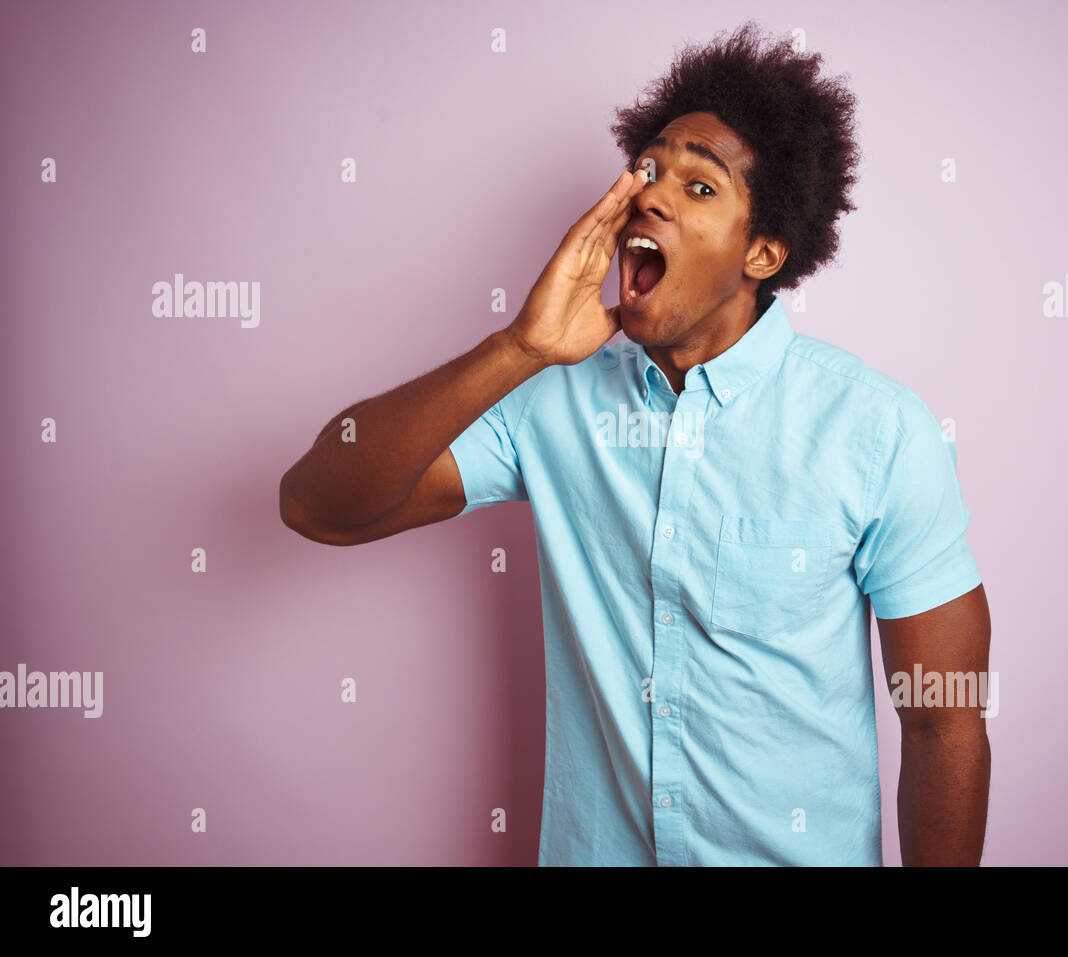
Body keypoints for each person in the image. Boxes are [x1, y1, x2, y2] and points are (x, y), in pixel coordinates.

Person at [280, 20, 991, 866]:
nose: (651, 195)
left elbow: (943, 719)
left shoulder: (874, 431)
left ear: (762, 252)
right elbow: (318, 504)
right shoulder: (549, 399)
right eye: (650, 170)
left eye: (700, 188)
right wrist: (519, 349)